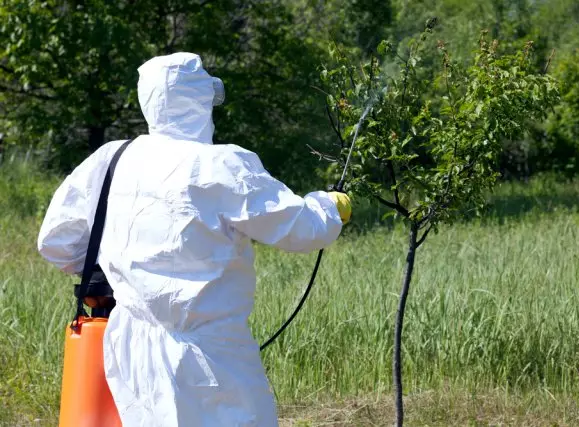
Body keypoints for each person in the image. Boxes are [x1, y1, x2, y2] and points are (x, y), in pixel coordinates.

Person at [37, 52, 352, 427]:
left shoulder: (113, 157)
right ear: (202, 102)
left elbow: (55, 241)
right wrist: (329, 206)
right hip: (211, 359)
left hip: (131, 347)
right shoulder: (221, 165)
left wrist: (120, 270)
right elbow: (300, 229)